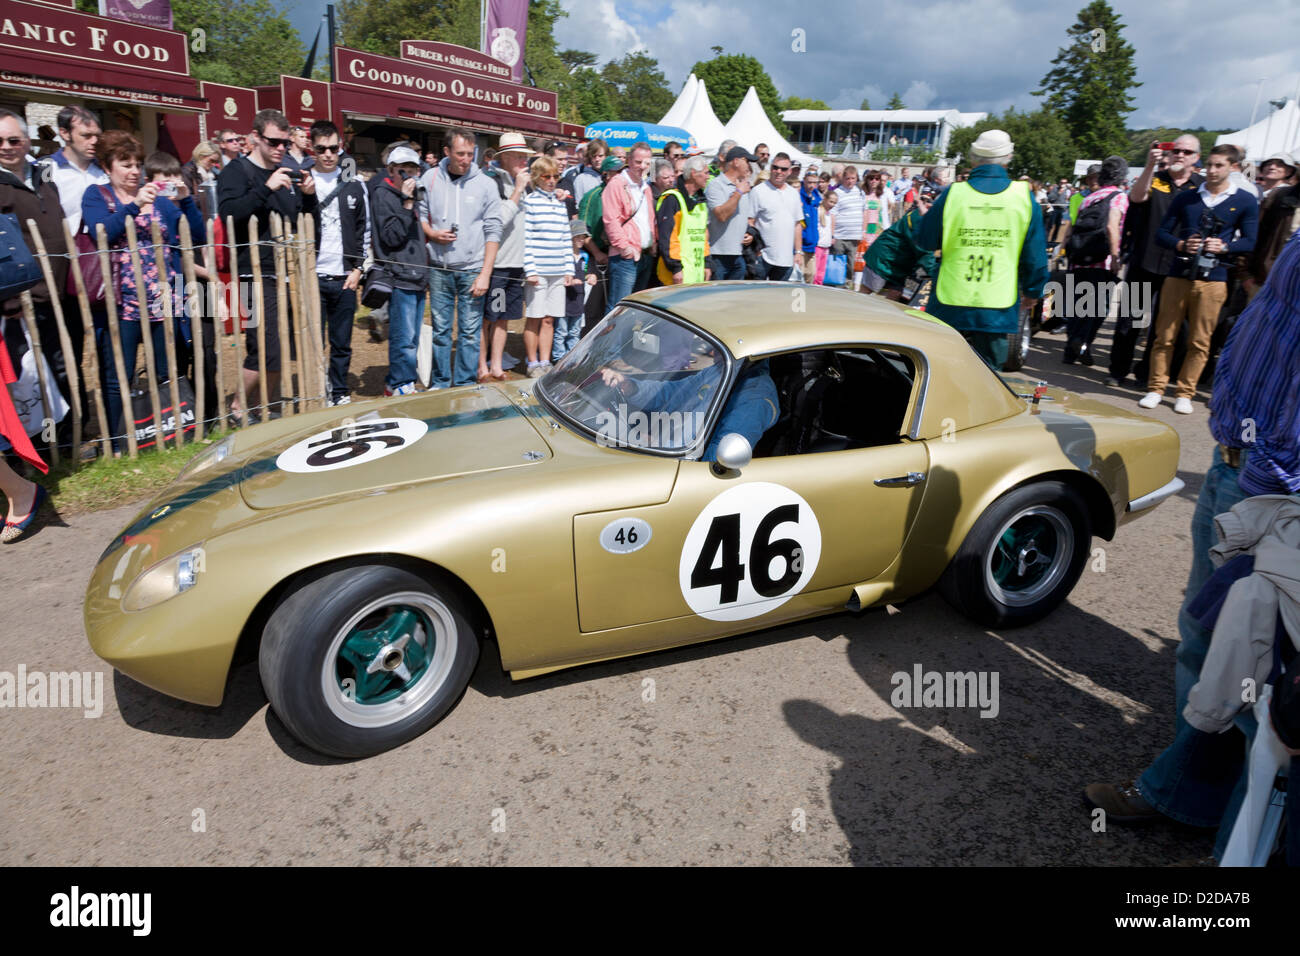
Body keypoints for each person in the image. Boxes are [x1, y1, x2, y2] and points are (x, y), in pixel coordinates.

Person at [1085, 231, 1300, 864]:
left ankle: (1218, 818)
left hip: (1270, 484)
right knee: (1213, 639)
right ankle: (1199, 796)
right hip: (1245, 465)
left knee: (1243, 657)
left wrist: (1268, 474)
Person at [83, 135, 204, 448]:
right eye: (125, 165)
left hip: (163, 303)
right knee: (118, 375)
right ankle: (118, 439)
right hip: (121, 306)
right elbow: (102, 234)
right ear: (108, 167)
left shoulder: (159, 200)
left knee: (166, 372)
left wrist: (186, 198)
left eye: (137, 164)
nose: (134, 171)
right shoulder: (97, 196)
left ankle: (166, 430)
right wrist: (135, 205)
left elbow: (198, 234)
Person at [1139, 144, 1257, 414]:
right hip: (1178, 274)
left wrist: (1224, 246)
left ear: (1232, 167)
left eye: (1219, 166)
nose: (1213, 171)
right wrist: (1181, 245)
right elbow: (1162, 234)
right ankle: (1156, 388)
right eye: (1210, 165)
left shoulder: (1245, 200)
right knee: (1163, 336)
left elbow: (1251, 241)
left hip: (1214, 278)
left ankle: (1185, 392)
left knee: (1200, 340)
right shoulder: (1187, 198)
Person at [916, 129, 1049, 369]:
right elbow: (1035, 256)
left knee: (943, 374)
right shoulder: (1023, 198)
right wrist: (1032, 291)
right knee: (987, 379)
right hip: (996, 305)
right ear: (1008, 158)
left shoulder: (954, 193)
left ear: (973, 158)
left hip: (950, 301)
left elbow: (924, 239)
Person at [217, 108, 317, 420]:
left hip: (286, 274)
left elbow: (302, 221)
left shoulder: (285, 171)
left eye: (285, 143)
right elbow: (230, 214)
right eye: (273, 142)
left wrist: (309, 197)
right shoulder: (237, 172)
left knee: (284, 348)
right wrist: (266, 188)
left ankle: (263, 405)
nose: (280, 149)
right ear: (255, 138)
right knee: (265, 347)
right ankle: (238, 407)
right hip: (252, 274)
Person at [0, 109, 75, 456]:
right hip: (22, 304)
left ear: (27, 141)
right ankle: (40, 450)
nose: (7, 147)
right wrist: (11, 301)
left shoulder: (45, 178)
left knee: (64, 367)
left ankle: (68, 440)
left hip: (60, 295)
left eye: (14, 140)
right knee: (29, 378)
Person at [1109, 134, 1204, 388]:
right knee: (1131, 321)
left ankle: (1146, 373)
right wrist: (1150, 165)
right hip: (1145, 260)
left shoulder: (1201, 187)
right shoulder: (1155, 179)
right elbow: (1136, 198)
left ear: (1196, 158)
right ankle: (1117, 371)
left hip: (1179, 266)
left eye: (1186, 152)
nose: (1180, 155)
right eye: (1176, 150)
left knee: (1165, 325)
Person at [419, 128, 503, 389]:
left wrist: (485, 274)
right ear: (447, 152)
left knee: (469, 332)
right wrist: (431, 233)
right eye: (460, 154)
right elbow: (420, 214)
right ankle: (441, 383)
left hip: (472, 269)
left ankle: (465, 384)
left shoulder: (486, 184)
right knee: (441, 331)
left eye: (470, 153)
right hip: (439, 268)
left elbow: (493, 230)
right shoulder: (430, 178)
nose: (466, 159)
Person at [308, 120, 368, 407]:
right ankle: (318, 389)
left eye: (334, 148)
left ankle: (339, 390)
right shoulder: (303, 182)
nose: (329, 154)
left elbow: (362, 228)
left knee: (342, 341)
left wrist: (358, 268)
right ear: (313, 148)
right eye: (322, 149)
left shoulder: (353, 185)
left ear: (340, 147)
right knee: (314, 341)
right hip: (313, 275)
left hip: (344, 275)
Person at [368, 144, 429, 396]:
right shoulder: (383, 195)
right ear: (391, 170)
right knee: (403, 338)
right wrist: (406, 203)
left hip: (416, 274)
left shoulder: (412, 196)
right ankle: (398, 383)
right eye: (403, 170)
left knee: (413, 337)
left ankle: (403, 381)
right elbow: (391, 237)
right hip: (399, 276)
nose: (409, 175)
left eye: (413, 169)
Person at [1061, 155, 1130, 365]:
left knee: (1077, 304)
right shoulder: (1119, 197)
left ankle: (1072, 347)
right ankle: (1083, 344)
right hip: (1103, 260)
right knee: (1098, 307)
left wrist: (1064, 250)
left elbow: (1073, 226)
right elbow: (1112, 225)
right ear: (1122, 176)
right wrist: (1116, 254)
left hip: (1079, 257)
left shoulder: (1089, 198)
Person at [481, 132, 530, 381]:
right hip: (497, 264)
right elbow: (498, 220)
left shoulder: (523, 183)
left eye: (526, 157)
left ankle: (497, 364)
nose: (524, 162)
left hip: (516, 265)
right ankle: (481, 366)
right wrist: (518, 191)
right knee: (489, 317)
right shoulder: (492, 181)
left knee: (504, 319)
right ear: (506, 157)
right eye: (520, 156)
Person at [520, 155, 574, 376]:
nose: (552, 180)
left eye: (556, 176)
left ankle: (545, 360)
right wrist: (530, 269)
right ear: (537, 178)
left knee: (550, 319)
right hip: (538, 271)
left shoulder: (559, 204)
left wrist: (569, 268)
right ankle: (532, 362)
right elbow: (526, 238)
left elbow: (565, 237)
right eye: (547, 176)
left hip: (557, 270)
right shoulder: (530, 202)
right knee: (534, 317)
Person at [602, 141, 657, 308]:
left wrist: (653, 242)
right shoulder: (617, 184)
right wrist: (625, 248)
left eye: (647, 163)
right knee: (618, 309)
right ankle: (610, 336)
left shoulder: (645, 187)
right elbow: (611, 220)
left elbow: (649, 217)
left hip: (644, 255)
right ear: (629, 161)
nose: (642, 166)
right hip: (625, 257)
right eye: (638, 162)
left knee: (636, 308)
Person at [861, 185, 938, 298]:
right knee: (866, 293)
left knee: (895, 295)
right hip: (883, 259)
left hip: (899, 265)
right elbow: (925, 251)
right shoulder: (919, 219)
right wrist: (935, 275)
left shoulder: (931, 219)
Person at [48, 105, 106, 234]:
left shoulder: (106, 169)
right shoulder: (46, 170)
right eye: (86, 136)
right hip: (62, 249)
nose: (95, 141)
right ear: (64, 133)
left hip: (103, 248)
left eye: (97, 135)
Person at [655, 155, 712, 286]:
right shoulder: (672, 199)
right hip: (676, 275)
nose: (708, 177)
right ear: (693, 174)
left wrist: (707, 263)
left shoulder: (700, 202)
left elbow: (703, 237)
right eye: (706, 173)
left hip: (695, 273)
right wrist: (676, 268)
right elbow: (668, 238)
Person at [747, 152, 804, 281]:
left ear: (789, 172)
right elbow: (750, 221)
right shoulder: (758, 191)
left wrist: (798, 252)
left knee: (779, 298)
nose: (778, 171)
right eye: (775, 167)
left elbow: (797, 225)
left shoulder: (793, 194)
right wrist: (756, 249)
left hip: (786, 259)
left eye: (783, 169)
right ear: (771, 168)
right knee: (756, 297)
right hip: (763, 257)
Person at [705, 146, 756, 281]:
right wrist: (738, 193)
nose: (749, 166)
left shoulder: (743, 187)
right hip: (718, 255)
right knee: (716, 299)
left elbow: (747, 218)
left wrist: (750, 232)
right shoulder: (716, 185)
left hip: (738, 254)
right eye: (747, 161)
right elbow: (721, 215)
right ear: (736, 161)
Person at [555, 220, 597, 364]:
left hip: (579, 302)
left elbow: (586, 273)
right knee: (561, 332)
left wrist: (590, 276)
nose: (580, 240)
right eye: (577, 236)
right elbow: (558, 277)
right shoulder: (563, 256)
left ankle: (571, 359)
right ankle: (559, 358)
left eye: (583, 237)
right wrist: (570, 281)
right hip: (564, 302)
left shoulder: (585, 257)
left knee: (574, 332)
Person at [829, 165, 867, 289]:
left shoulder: (860, 193)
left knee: (851, 265)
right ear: (843, 178)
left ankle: (847, 286)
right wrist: (832, 234)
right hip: (840, 235)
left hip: (854, 236)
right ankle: (836, 288)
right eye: (848, 178)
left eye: (853, 178)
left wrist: (864, 231)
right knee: (837, 265)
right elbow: (833, 214)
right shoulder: (838, 193)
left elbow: (864, 211)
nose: (850, 181)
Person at [181, 141, 221, 221]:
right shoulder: (187, 171)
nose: (214, 164)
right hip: (194, 217)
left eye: (216, 162)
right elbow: (186, 197)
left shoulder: (213, 173)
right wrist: (208, 197)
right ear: (201, 156)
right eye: (212, 160)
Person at [798, 168, 823, 283]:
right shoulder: (799, 196)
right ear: (804, 181)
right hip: (801, 246)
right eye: (809, 182)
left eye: (815, 183)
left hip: (812, 245)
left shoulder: (816, 198)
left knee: (811, 276)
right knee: (799, 279)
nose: (812, 185)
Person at [814, 189, 837, 284]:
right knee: (815, 271)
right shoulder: (818, 211)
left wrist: (832, 237)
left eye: (835, 203)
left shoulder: (829, 214)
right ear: (825, 199)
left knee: (821, 272)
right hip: (818, 245)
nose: (832, 204)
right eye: (831, 201)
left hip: (826, 246)